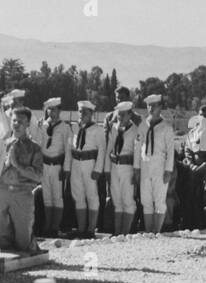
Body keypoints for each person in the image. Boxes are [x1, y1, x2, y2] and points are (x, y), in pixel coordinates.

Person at [0, 105, 44, 255]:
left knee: (23, 240)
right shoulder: (3, 144)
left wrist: (18, 166)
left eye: (20, 121)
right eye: (14, 121)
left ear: (28, 124)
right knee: (1, 234)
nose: (16, 124)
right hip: (2, 192)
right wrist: (5, 165)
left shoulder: (34, 148)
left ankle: (30, 247)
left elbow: (38, 176)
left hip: (22, 193)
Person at [138, 93, 175, 234]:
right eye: (149, 105)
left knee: (159, 200)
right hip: (145, 166)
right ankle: (149, 231)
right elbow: (137, 147)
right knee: (146, 200)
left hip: (160, 166)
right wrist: (136, 168)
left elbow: (170, 151)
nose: (151, 108)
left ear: (160, 107)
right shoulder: (143, 125)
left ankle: (157, 230)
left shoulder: (166, 127)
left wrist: (168, 170)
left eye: (154, 105)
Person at [68, 100, 103, 237]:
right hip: (76, 163)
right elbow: (70, 148)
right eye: (80, 111)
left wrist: (98, 169)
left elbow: (102, 150)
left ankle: (91, 229)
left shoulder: (97, 129)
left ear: (92, 114)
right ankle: (81, 229)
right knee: (78, 195)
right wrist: (68, 167)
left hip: (90, 164)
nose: (82, 114)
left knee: (92, 196)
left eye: (85, 112)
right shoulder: (74, 128)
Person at [38, 97, 72, 238]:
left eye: (54, 110)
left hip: (57, 166)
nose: (51, 113)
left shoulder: (65, 127)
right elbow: (39, 144)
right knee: (47, 196)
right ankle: (48, 225)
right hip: (45, 165)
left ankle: (55, 227)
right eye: (49, 110)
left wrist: (66, 168)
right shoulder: (43, 125)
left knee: (57, 197)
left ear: (59, 111)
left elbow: (68, 149)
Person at [106, 101, 139, 235]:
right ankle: (117, 232)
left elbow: (137, 153)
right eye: (118, 114)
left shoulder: (135, 130)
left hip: (127, 167)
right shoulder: (114, 128)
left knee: (128, 200)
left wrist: (136, 172)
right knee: (117, 200)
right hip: (115, 166)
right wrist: (107, 169)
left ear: (130, 115)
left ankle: (125, 232)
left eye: (123, 114)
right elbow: (109, 149)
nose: (120, 117)